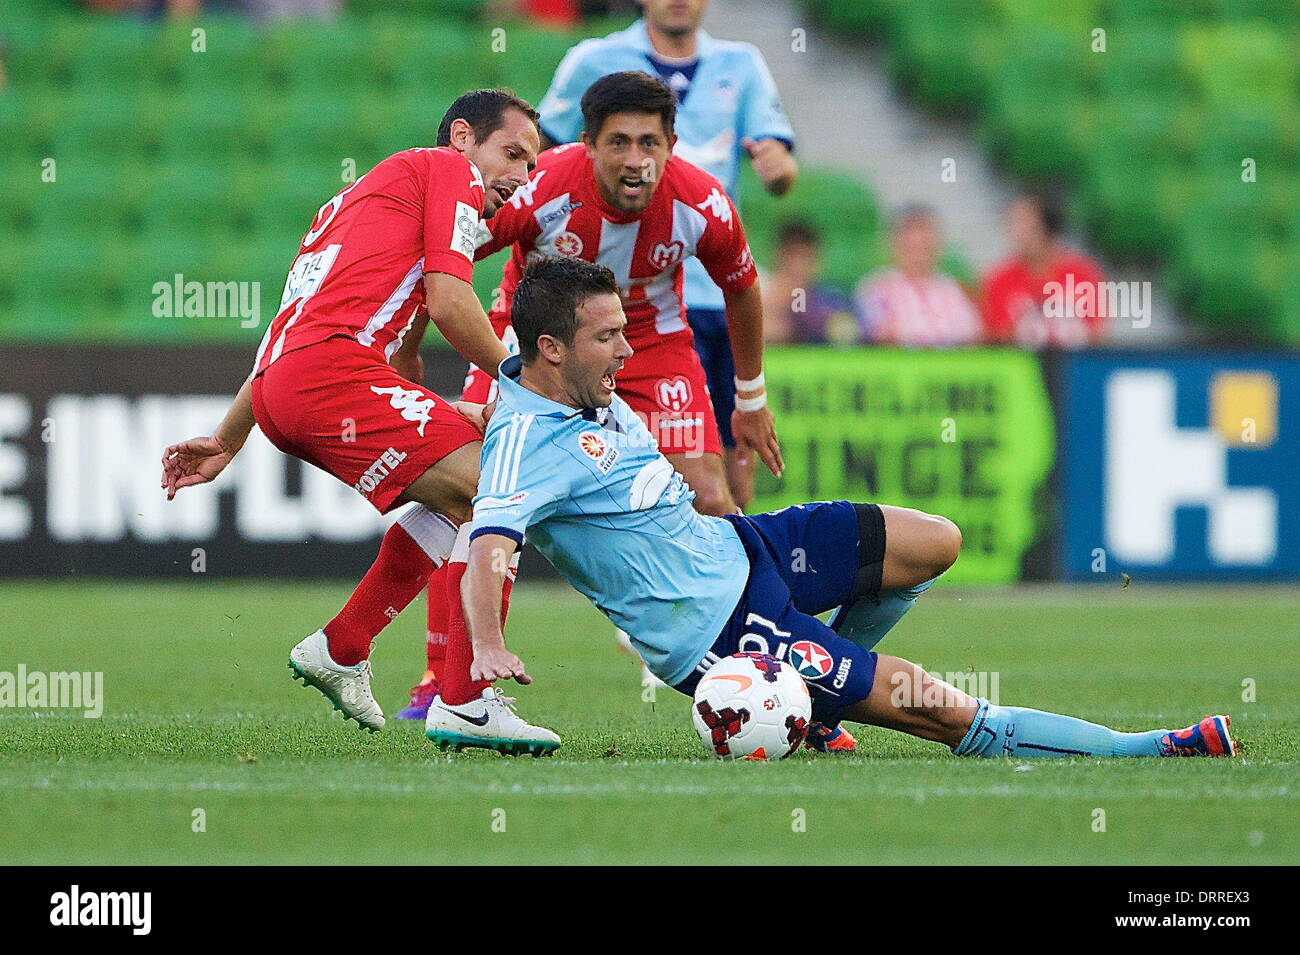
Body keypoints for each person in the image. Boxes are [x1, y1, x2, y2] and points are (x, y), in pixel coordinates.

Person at [452, 255, 1239, 762]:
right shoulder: (527, 440)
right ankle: (1147, 748)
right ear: (555, 349)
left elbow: (511, 356)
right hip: (725, 631)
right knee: (947, 710)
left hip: (744, 544)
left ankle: (817, 700)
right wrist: (487, 641)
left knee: (937, 541)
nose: (627, 350)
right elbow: (489, 542)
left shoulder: (549, 373)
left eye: (625, 331)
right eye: (608, 337)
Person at [396, 71, 798, 739]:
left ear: (672, 145)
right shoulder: (544, 188)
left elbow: (743, 289)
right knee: (475, 491)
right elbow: (449, 257)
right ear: (586, 144)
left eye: (649, 143)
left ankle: (765, 679)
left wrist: (749, 398)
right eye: (617, 143)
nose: (634, 160)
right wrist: (413, 347)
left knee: (712, 495)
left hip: (650, 341)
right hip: (537, 342)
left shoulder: (704, 201)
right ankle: (446, 678)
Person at [160, 89, 561, 748]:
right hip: (330, 376)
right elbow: (453, 298)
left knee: (476, 481)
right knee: (504, 484)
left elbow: (293, 329)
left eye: (532, 164)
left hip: (286, 386)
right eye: (512, 153)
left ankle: (345, 645)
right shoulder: (449, 173)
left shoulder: (363, 200)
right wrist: (526, 385)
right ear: (462, 137)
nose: (521, 175)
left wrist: (229, 437)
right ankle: (465, 697)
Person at [536, 0, 797, 511]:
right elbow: (537, 160)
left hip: (709, 292)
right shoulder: (593, 59)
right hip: (614, 299)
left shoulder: (741, 64)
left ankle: (737, 572)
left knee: (727, 462)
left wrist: (777, 168)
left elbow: (781, 162)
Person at [980, 193, 1107, 348]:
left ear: (1048, 227)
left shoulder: (1082, 275)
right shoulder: (999, 280)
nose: (1017, 233)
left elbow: (1097, 334)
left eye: (1027, 225)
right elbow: (994, 337)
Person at [855, 206, 981, 347]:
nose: (918, 241)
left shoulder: (951, 290)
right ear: (892, 242)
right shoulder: (877, 289)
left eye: (924, 238)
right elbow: (880, 340)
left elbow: (972, 338)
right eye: (910, 240)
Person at [761, 220, 856, 345]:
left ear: (817, 259)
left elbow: (847, 333)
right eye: (792, 256)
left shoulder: (829, 298)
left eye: (804, 257)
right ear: (777, 256)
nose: (797, 266)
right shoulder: (762, 290)